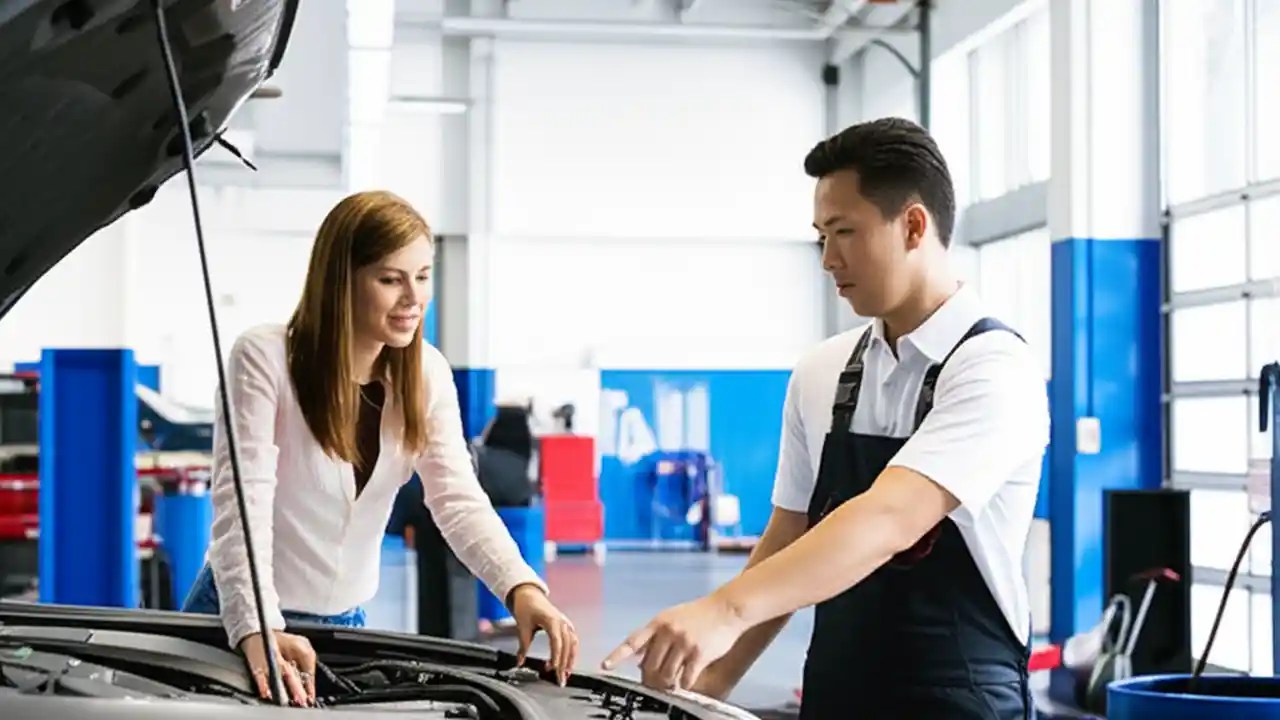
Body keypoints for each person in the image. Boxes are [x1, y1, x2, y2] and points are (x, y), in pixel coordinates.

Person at [601, 117, 1048, 719]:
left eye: (845, 232)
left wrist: (724, 609)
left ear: (914, 225)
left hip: (961, 699)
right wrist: (701, 692)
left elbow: (892, 516)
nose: (828, 260)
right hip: (838, 693)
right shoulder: (822, 371)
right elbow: (790, 537)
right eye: (820, 236)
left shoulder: (994, 369)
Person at [183, 190, 579, 705]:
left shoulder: (426, 373)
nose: (413, 298)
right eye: (390, 279)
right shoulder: (265, 358)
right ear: (340, 281)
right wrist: (255, 628)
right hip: (238, 619)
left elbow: (457, 500)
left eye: (422, 275)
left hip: (344, 626)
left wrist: (520, 587)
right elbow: (243, 502)